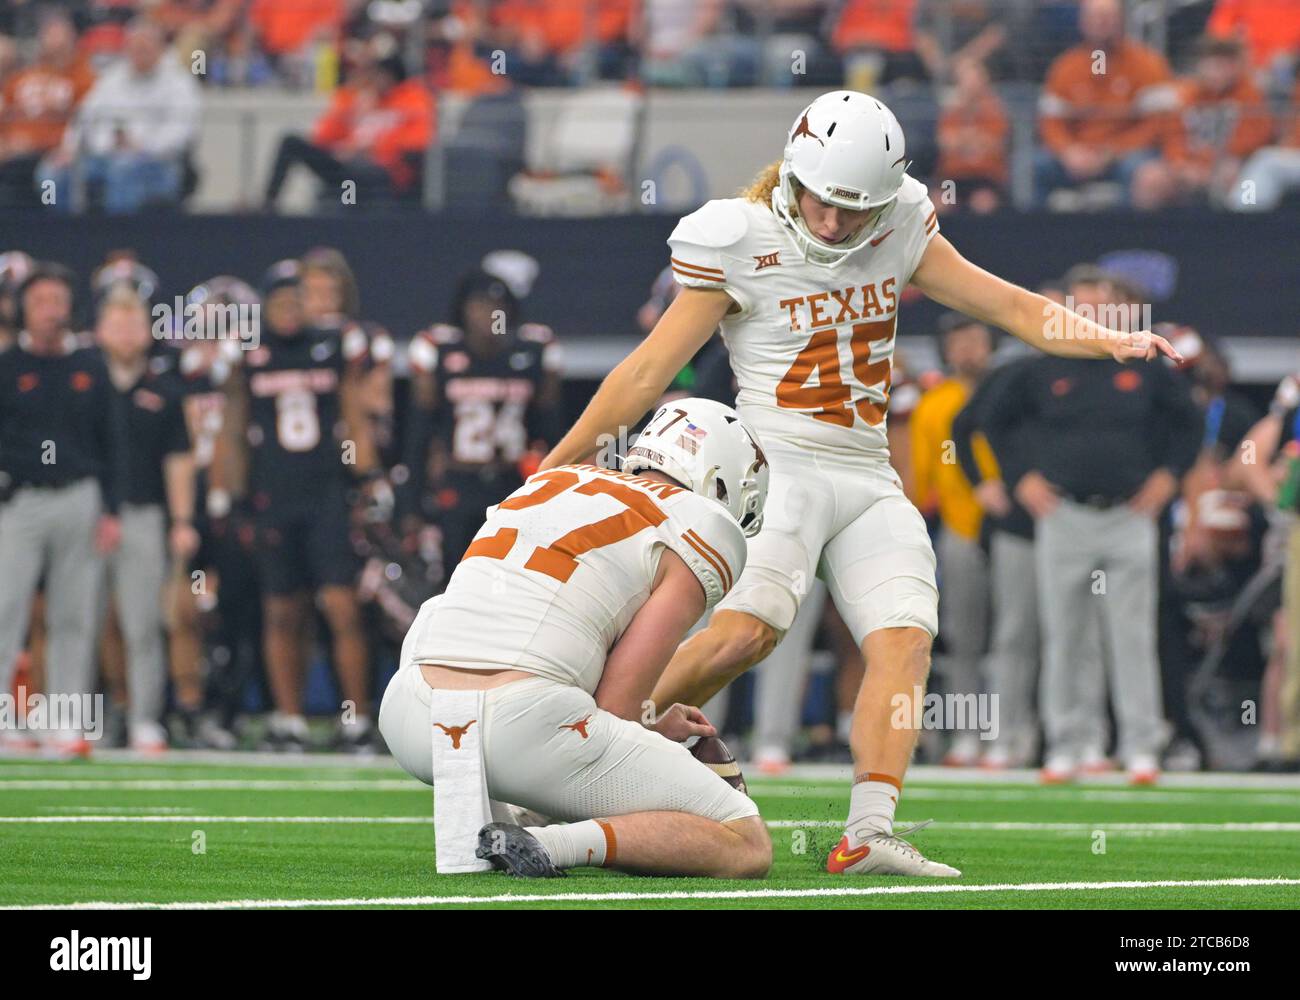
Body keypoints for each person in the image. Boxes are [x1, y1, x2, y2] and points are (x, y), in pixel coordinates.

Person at [539, 90, 1181, 878]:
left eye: (856, 207)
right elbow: (647, 369)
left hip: (866, 470)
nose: (837, 223)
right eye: (823, 201)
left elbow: (1008, 305)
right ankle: (576, 743)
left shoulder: (903, 219)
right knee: (747, 634)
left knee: (907, 639)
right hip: (775, 463)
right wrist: (565, 460)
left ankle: (868, 831)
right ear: (793, 173)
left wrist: (1106, 341)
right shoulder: (738, 237)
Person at [380, 397, 772, 878]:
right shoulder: (704, 525)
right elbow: (615, 705)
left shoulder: (551, 479)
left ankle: (507, 818)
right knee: (746, 844)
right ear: (722, 481)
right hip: (522, 725)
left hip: (409, 715)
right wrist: (650, 740)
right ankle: (549, 843)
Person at [980, 269, 1201, 784]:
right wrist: (1020, 479)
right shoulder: (1042, 366)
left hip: (1129, 516)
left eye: (1104, 307)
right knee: (1064, 635)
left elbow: (1188, 422)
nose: (1094, 316)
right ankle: (1067, 743)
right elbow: (991, 420)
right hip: (1065, 516)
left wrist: (1169, 477)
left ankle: (1141, 745)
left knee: (1132, 634)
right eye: (1085, 306)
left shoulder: (1145, 367)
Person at [210, 261, 380, 752]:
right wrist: (230, 496)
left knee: (340, 605)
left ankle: (355, 718)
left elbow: (353, 416)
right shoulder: (248, 352)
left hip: (326, 492)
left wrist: (367, 476)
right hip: (273, 495)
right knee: (282, 610)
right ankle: (290, 719)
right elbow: (234, 429)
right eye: (281, 300)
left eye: (297, 299)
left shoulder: (334, 344)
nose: (290, 309)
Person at [0, 263, 126, 754]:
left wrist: (111, 508)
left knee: (75, 615)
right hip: (21, 500)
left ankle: (66, 721)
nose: (51, 311)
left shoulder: (91, 366)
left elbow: (112, 439)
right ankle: (6, 718)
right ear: (23, 309)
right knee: (6, 608)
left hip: (80, 497)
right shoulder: (9, 367)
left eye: (58, 301)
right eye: (41, 301)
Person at [401, 267, 563, 568]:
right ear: (462, 311)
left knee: (516, 574)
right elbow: (419, 435)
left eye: (496, 308)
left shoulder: (532, 351)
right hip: (458, 482)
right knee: (457, 574)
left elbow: (552, 429)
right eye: (479, 307)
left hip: (513, 482)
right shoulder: (440, 350)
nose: (489, 315)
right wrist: (411, 504)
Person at [95, 285, 196, 752]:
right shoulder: (82, 381)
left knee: (143, 623)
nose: (126, 333)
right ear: (99, 329)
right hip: (85, 516)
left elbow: (178, 459)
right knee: (75, 620)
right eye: (116, 322)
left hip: (142, 514)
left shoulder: (163, 390)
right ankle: (75, 717)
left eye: (134, 323)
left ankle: (143, 717)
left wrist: (181, 519)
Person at [909, 313, 996, 766]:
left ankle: (1015, 734)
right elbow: (923, 488)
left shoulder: (1009, 392)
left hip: (1017, 528)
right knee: (964, 639)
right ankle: (968, 734)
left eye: (977, 340)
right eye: (960, 343)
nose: (968, 351)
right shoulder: (933, 405)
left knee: (1022, 639)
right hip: (960, 531)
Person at [39, 18, 200, 214]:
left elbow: (182, 132)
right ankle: (62, 236)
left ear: (160, 48)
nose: (139, 54)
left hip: (158, 163)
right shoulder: (112, 79)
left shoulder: (179, 82)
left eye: (145, 48)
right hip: (106, 156)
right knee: (51, 174)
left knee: (123, 170)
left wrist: (140, 146)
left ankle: (118, 239)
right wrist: (69, 148)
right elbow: (85, 117)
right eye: (134, 48)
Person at [1035, 0, 1175, 208]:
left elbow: (1158, 122)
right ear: (1083, 22)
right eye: (1096, 17)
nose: (1102, 23)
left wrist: (1113, 151)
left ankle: (1128, 237)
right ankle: (1043, 237)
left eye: (1108, 17)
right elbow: (1050, 121)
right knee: (1037, 166)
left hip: (1128, 154)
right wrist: (1068, 151)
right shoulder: (1066, 67)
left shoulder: (1148, 64)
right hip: (1078, 154)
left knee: (1144, 172)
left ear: (1121, 20)